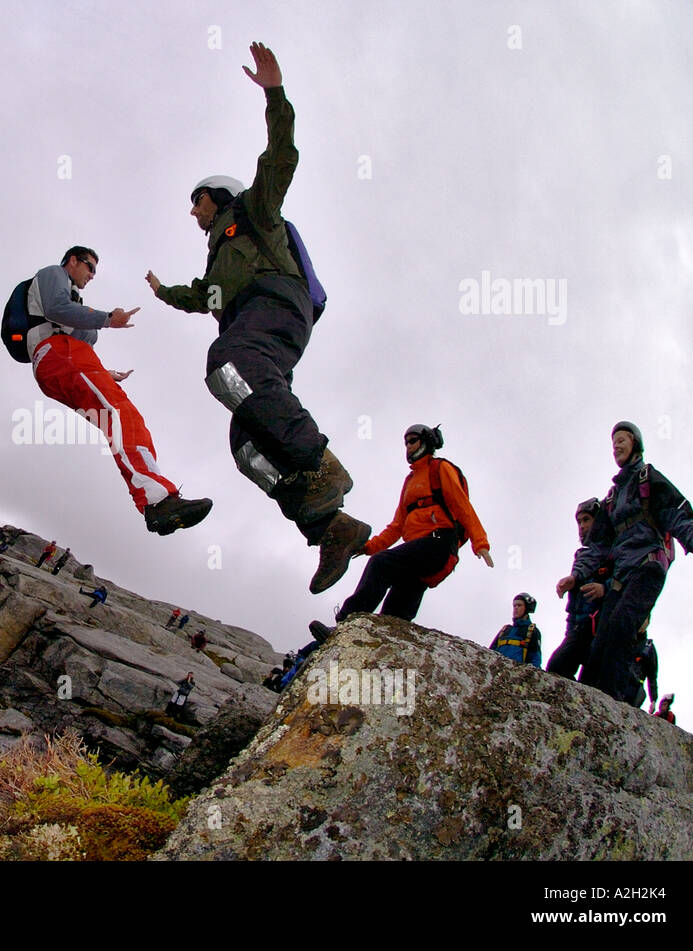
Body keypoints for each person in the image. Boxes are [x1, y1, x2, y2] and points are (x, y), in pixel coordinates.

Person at [143, 42, 369, 594]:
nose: (192, 211)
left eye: (197, 200)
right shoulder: (218, 258)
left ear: (218, 196)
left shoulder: (255, 213)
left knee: (226, 364)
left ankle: (320, 461)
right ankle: (329, 526)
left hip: (278, 307)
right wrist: (162, 292)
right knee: (246, 446)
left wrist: (275, 93)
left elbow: (280, 156)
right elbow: (203, 297)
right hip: (257, 328)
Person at [26, 246, 212, 535]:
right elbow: (56, 309)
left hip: (63, 359)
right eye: (89, 267)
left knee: (126, 419)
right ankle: (157, 501)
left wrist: (105, 372)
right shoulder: (54, 274)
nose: (91, 275)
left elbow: (84, 334)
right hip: (58, 353)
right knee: (118, 414)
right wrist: (109, 318)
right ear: (72, 260)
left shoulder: (72, 297)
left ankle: (158, 498)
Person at [557, 422, 693, 703]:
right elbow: (598, 544)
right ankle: (587, 701)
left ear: (635, 443)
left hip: (649, 566)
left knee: (622, 627)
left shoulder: (647, 478)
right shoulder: (612, 498)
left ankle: (611, 703)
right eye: (613, 442)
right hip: (622, 574)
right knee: (602, 636)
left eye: (622, 440)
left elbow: (675, 512)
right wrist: (576, 577)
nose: (616, 446)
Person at [312, 425, 492, 635]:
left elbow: (462, 506)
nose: (407, 447)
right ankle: (376, 642)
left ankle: (345, 623)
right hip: (418, 552)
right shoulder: (410, 481)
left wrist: (480, 543)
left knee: (381, 564)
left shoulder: (440, 468)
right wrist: (369, 547)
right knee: (394, 614)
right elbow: (397, 526)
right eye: (405, 442)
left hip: (439, 542)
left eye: (413, 440)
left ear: (427, 442)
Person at [547, 499, 607, 680]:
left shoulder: (611, 551)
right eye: (579, 522)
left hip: (597, 630)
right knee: (558, 669)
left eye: (586, 520)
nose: (581, 526)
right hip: (578, 628)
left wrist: (605, 588)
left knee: (560, 669)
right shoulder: (582, 555)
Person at [489, 593, 542, 667]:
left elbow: (535, 658)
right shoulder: (505, 629)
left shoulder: (531, 631)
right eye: (514, 606)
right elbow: (490, 652)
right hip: (496, 671)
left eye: (519, 605)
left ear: (527, 608)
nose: (516, 608)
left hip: (516, 674)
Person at [629, 631, 659, 712]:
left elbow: (652, 676)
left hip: (634, 689)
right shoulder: (627, 638)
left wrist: (653, 699)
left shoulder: (648, 647)